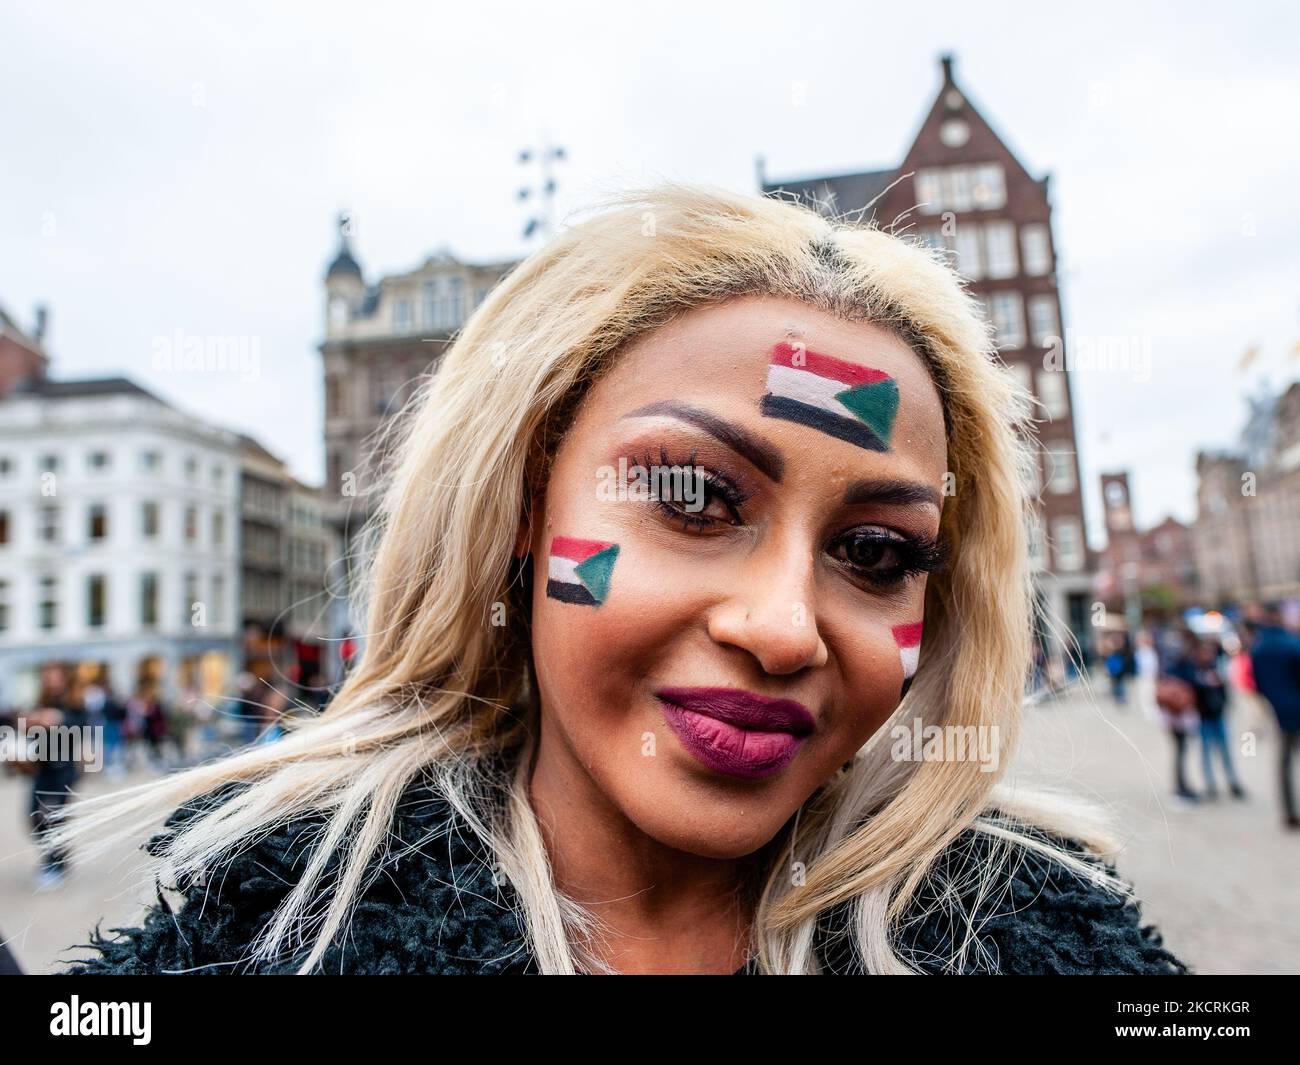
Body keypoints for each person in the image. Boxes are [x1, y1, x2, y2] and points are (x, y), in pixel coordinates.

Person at [55, 185, 1185, 975]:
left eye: (876, 554)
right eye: (694, 499)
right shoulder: (256, 942)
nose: (783, 628)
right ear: (523, 509)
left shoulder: (1043, 944)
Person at [28, 663, 90, 890]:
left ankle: (54, 863)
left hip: (65, 768)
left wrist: (59, 720)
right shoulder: (41, 701)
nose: (50, 680)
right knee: (34, 816)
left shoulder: (74, 702)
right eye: (47, 676)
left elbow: (82, 727)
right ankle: (55, 856)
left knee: (57, 817)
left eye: (54, 676)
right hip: (42, 766)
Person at [1245, 606, 1300, 830]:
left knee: (1284, 762)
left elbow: (1257, 683)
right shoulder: (1291, 644)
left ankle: (1289, 811)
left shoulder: (1258, 649)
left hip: (1278, 711)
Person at [1190, 638, 1244, 800]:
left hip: (1218, 716)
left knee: (1226, 752)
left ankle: (1232, 782)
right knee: (1206, 753)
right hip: (1204, 718)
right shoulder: (1195, 672)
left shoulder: (1218, 670)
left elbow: (1225, 693)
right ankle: (1210, 784)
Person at [1157, 630, 1201, 803]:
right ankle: (1180, 788)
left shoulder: (1169, 658)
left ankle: (1181, 786)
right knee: (1180, 750)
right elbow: (1190, 680)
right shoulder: (1182, 660)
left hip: (1172, 712)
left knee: (1180, 750)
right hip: (1178, 712)